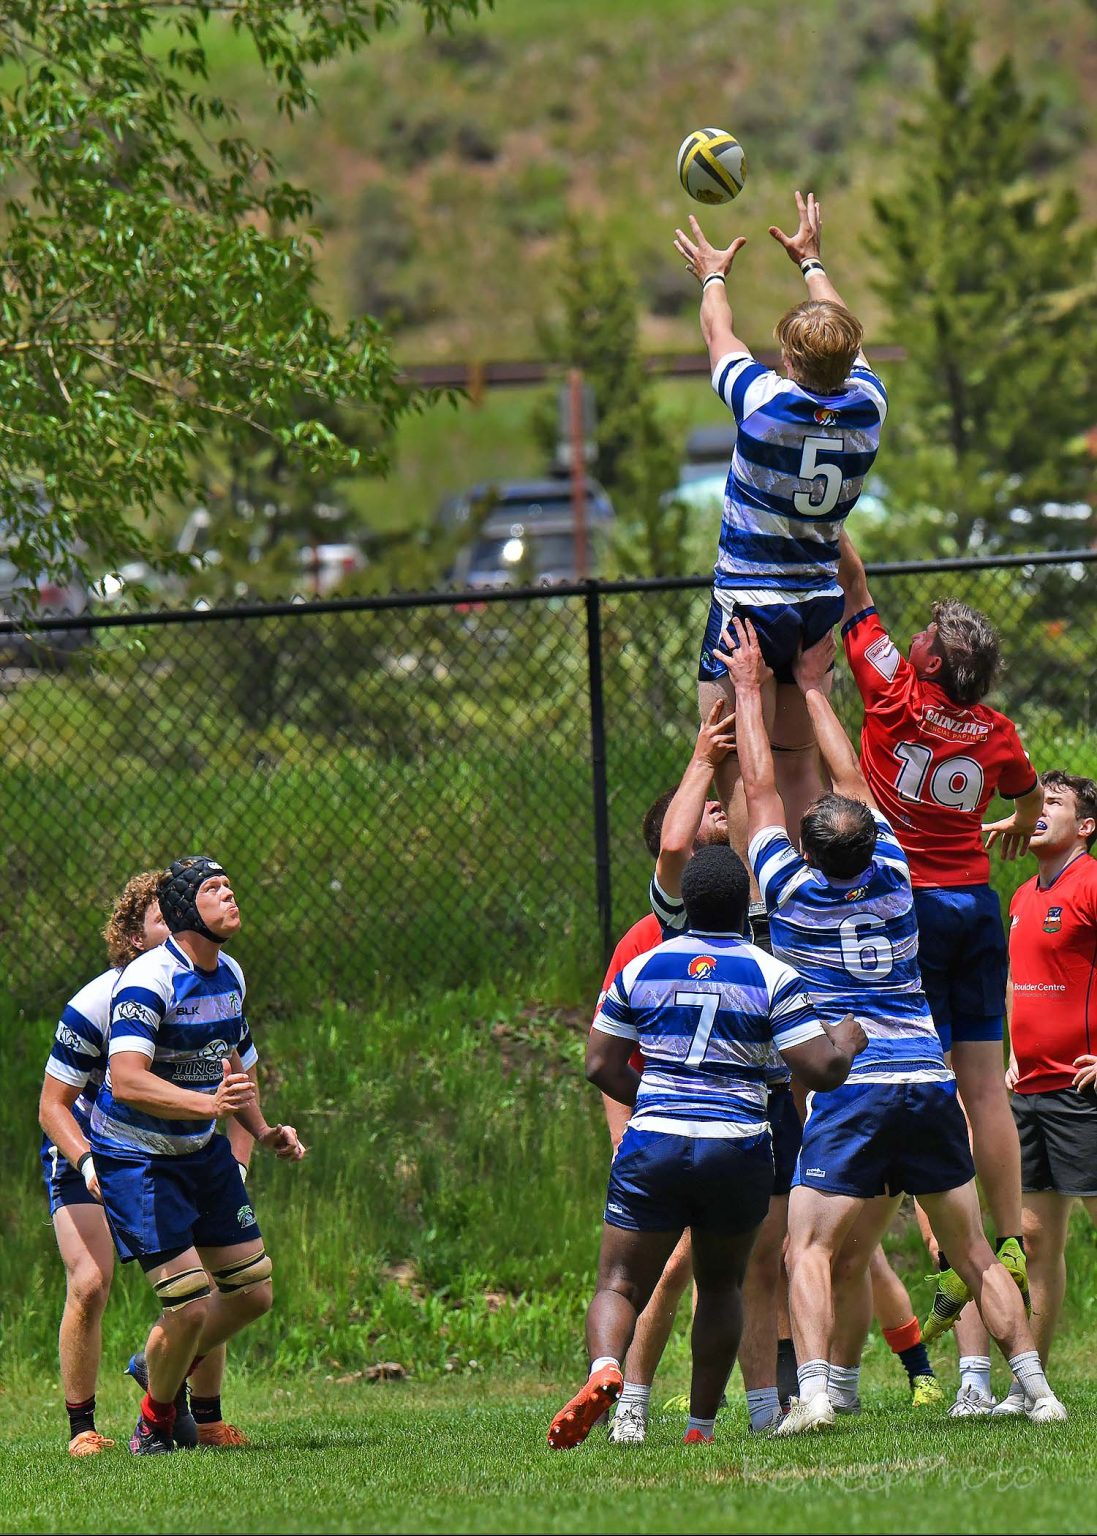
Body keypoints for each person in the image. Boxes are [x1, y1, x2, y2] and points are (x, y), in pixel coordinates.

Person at [722, 617, 1066, 1433]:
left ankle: (811, 1394)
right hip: (924, 1076)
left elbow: (765, 790)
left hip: (856, 1082)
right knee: (975, 1249)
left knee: (803, 1248)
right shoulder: (895, 871)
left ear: (802, 853)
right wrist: (815, 684)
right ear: (871, 840)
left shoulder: (789, 891)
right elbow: (856, 784)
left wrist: (746, 689)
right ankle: (1037, 1390)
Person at [547, 844, 865, 1450]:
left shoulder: (642, 968)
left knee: (618, 1282)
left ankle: (605, 1370)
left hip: (655, 1142)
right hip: (737, 1147)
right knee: (722, 1286)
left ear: (685, 904)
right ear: (747, 906)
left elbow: (598, 1063)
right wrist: (847, 1041)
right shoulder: (771, 974)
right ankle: (700, 1424)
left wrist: (652, 1100)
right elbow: (820, 1069)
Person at [836, 531, 1040, 1361]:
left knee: (928, 1081)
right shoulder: (994, 733)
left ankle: (953, 1245)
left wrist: (828, 513)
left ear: (924, 659)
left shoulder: (890, 691)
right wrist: (1016, 830)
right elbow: (1025, 801)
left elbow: (853, 588)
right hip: (973, 904)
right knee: (986, 1086)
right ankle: (1010, 1233)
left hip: (909, 905)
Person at [672, 189, 888, 940]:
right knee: (798, 766)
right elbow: (845, 346)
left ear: (790, 359)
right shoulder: (867, 408)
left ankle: (750, 922)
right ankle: (814, 910)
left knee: (732, 766)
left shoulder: (761, 402)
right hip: (814, 604)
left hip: (746, 607)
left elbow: (715, 332)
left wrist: (712, 272)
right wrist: (812, 264)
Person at [89, 855, 307, 1455]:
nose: (231, 897)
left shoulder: (229, 972)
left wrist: (261, 1132)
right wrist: (205, 1106)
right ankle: (155, 1421)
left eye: (231, 887)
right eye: (215, 889)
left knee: (254, 1292)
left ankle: (155, 1359)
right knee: (184, 1305)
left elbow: (232, 1063)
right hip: (137, 1157)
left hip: (197, 1148)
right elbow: (127, 1079)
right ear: (187, 910)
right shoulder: (150, 978)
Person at [593, 782, 729, 1444]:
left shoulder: (749, 931)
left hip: (727, 1131)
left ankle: (755, 1400)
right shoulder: (643, 942)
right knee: (670, 1267)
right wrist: (624, 1137)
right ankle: (631, 1398)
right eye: (708, 803)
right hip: (667, 1131)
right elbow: (607, 1061)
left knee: (735, 1266)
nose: (721, 806)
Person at [993, 770, 1097, 1416]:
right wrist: (1009, 1054)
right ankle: (1029, 1384)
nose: (1035, 811)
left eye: (1051, 804)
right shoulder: (1023, 894)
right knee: (1033, 1241)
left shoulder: (1090, 882)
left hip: (1079, 1092)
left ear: (1085, 827)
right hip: (1027, 1090)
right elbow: (1015, 982)